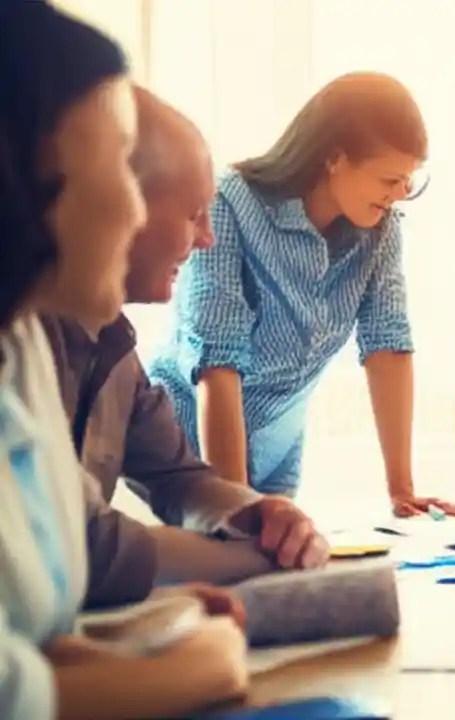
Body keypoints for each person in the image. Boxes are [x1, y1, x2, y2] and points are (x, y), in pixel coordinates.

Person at [0, 3, 248, 717]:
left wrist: (125, 640)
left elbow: (34, 637)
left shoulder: (16, 350)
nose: (137, 213)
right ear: (30, 173)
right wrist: (195, 664)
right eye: (116, 160)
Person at [40, 86, 330, 609]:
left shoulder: (114, 343)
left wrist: (256, 512)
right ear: (118, 202)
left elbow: (176, 476)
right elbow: (85, 547)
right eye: (195, 214)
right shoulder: (24, 343)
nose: (208, 240)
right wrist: (260, 561)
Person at [147, 72, 455, 517]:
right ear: (336, 158)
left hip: (278, 451)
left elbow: (388, 344)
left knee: (281, 578)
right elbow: (216, 359)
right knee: (222, 566)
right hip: (190, 444)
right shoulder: (230, 203)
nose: (398, 195)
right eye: (388, 179)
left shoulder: (381, 231)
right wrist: (236, 509)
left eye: (407, 181)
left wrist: (402, 490)